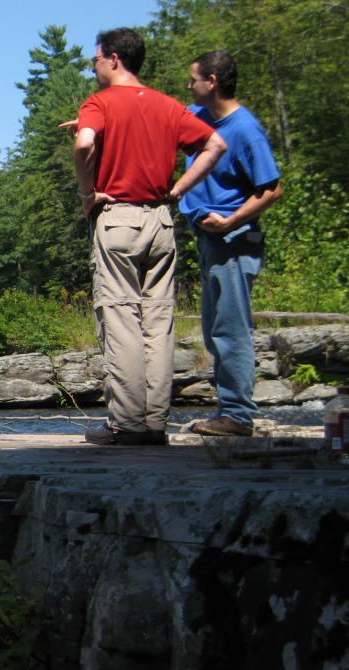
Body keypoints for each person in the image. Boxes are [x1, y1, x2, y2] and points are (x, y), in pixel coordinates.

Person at [72, 28, 228, 445]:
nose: (94, 65)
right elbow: (215, 145)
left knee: (121, 319)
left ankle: (125, 424)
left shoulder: (99, 102)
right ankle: (155, 423)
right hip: (160, 221)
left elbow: (85, 143)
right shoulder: (168, 106)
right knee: (158, 323)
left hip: (118, 218)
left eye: (96, 59)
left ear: (115, 58)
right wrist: (179, 189)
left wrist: (87, 194)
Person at [179, 51, 283, 437]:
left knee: (230, 328)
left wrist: (231, 221)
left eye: (194, 79)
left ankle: (237, 416)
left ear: (214, 81)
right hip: (208, 239)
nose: (189, 85)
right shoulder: (198, 117)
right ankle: (230, 411)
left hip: (234, 241)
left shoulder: (245, 130)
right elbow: (155, 123)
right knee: (213, 327)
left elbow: (272, 188)